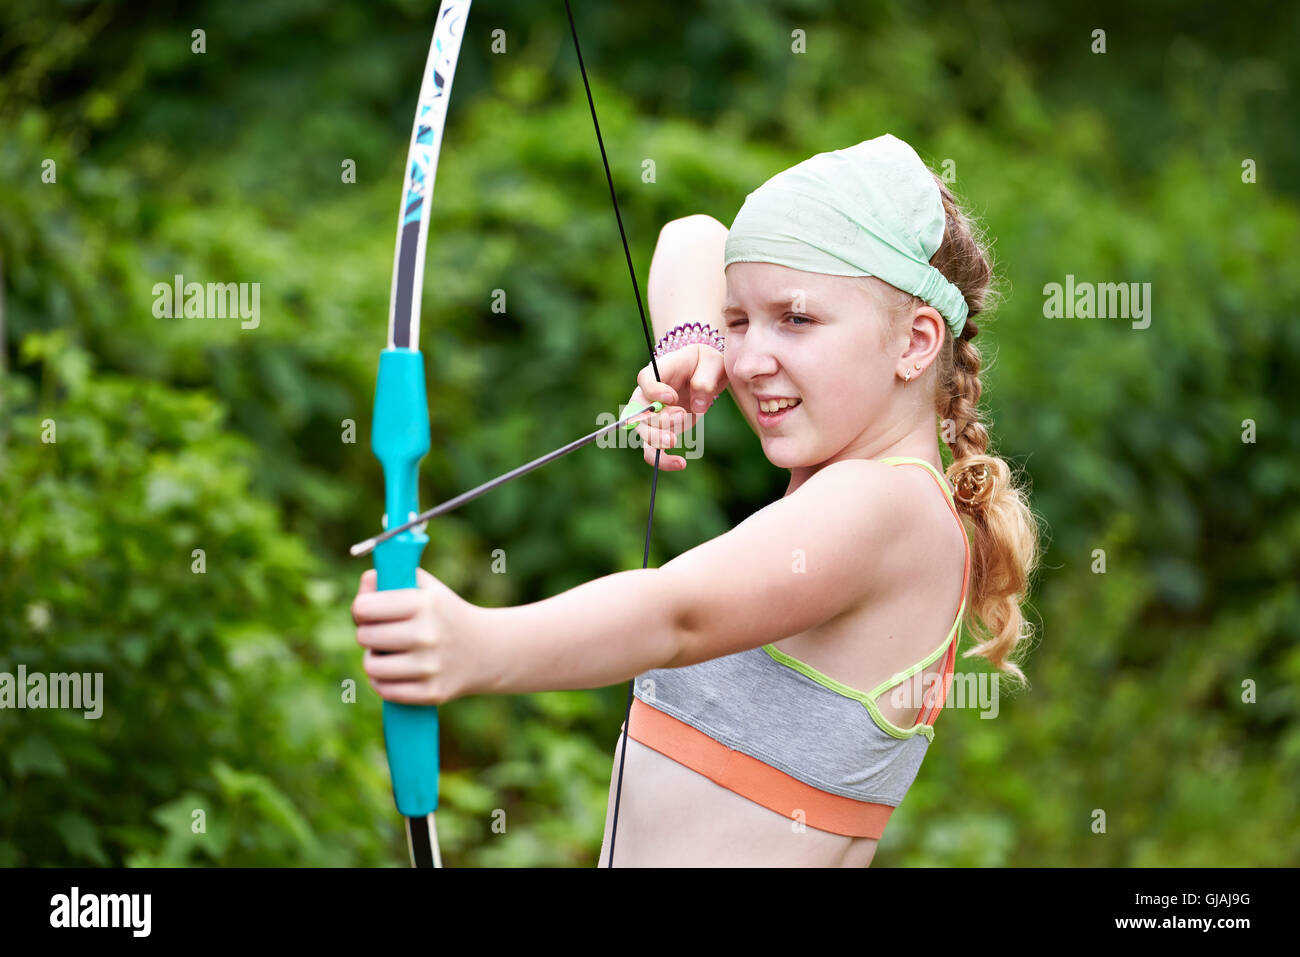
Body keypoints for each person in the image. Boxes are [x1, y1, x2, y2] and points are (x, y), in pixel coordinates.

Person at [352, 133, 1042, 867]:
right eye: (739, 320)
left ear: (915, 342)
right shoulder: (849, 478)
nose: (747, 360)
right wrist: (694, 339)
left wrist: (478, 647)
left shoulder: (885, 508)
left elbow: (678, 615)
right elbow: (693, 237)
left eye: (797, 319)